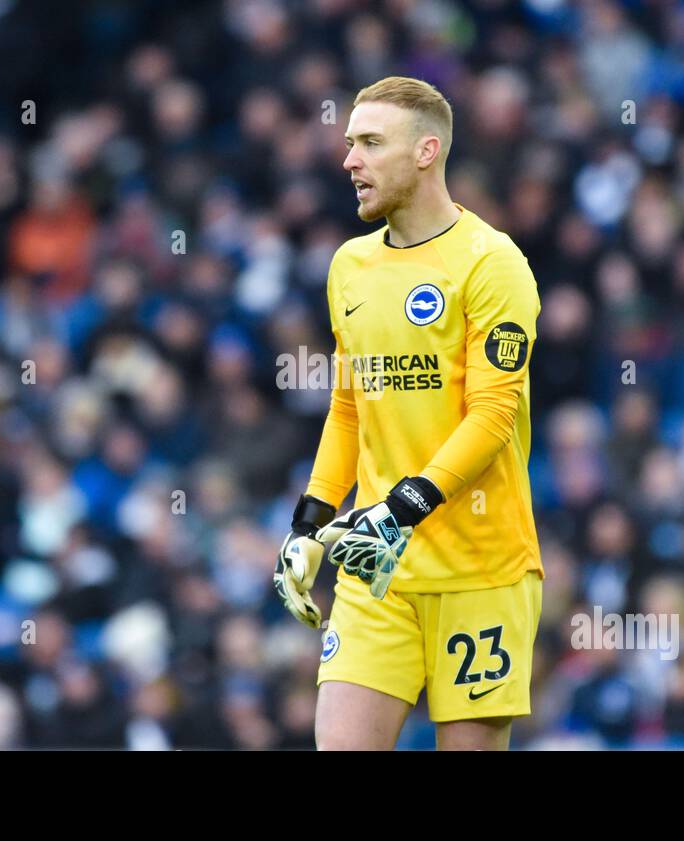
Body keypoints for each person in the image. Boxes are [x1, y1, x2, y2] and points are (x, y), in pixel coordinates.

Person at [272, 76, 543, 750]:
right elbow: (348, 407)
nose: (349, 160)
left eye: (369, 142)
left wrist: (401, 507)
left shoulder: (491, 262)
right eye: (349, 143)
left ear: (426, 152)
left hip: (480, 569)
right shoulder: (349, 266)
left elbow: (491, 416)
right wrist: (311, 520)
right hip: (378, 569)